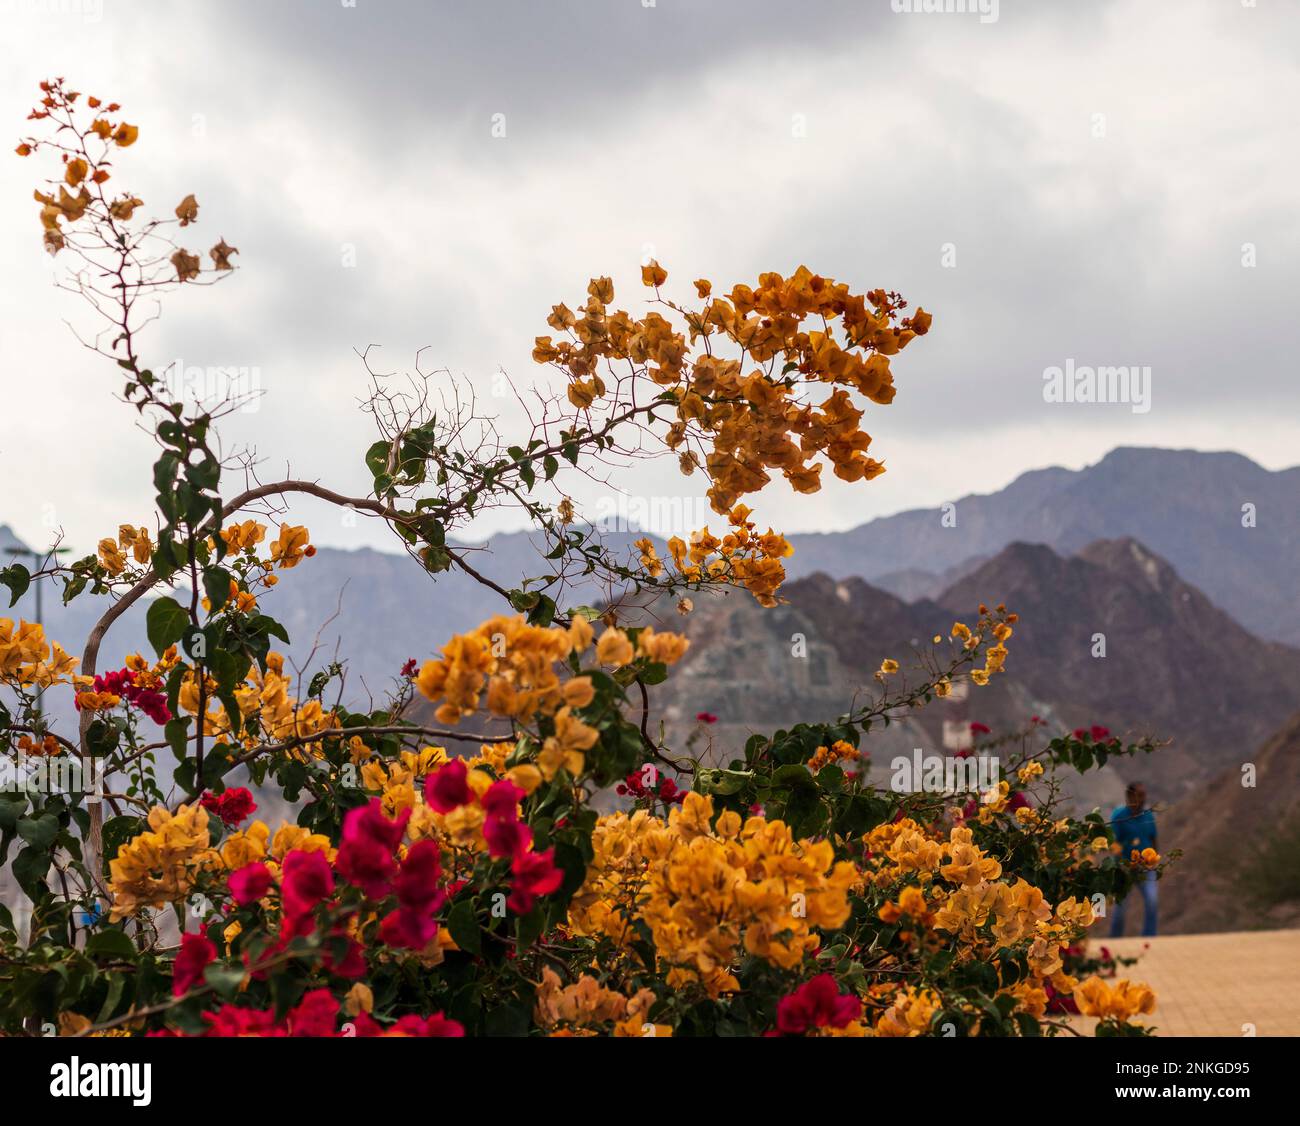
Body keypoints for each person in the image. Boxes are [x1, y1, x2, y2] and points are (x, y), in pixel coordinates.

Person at [1109, 782, 1158, 937]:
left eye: (1144, 795)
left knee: (1152, 901)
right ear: (1130, 796)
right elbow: (1113, 844)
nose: (1144, 798)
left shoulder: (1148, 816)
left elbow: (1153, 839)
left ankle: (1150, 937)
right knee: (1120, 908)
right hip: (1125, 871)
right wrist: (1123, 863)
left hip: (1145, 869)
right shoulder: (1119, 817)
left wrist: (1154, 860)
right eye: (1140, 795)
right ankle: (1115, 940)